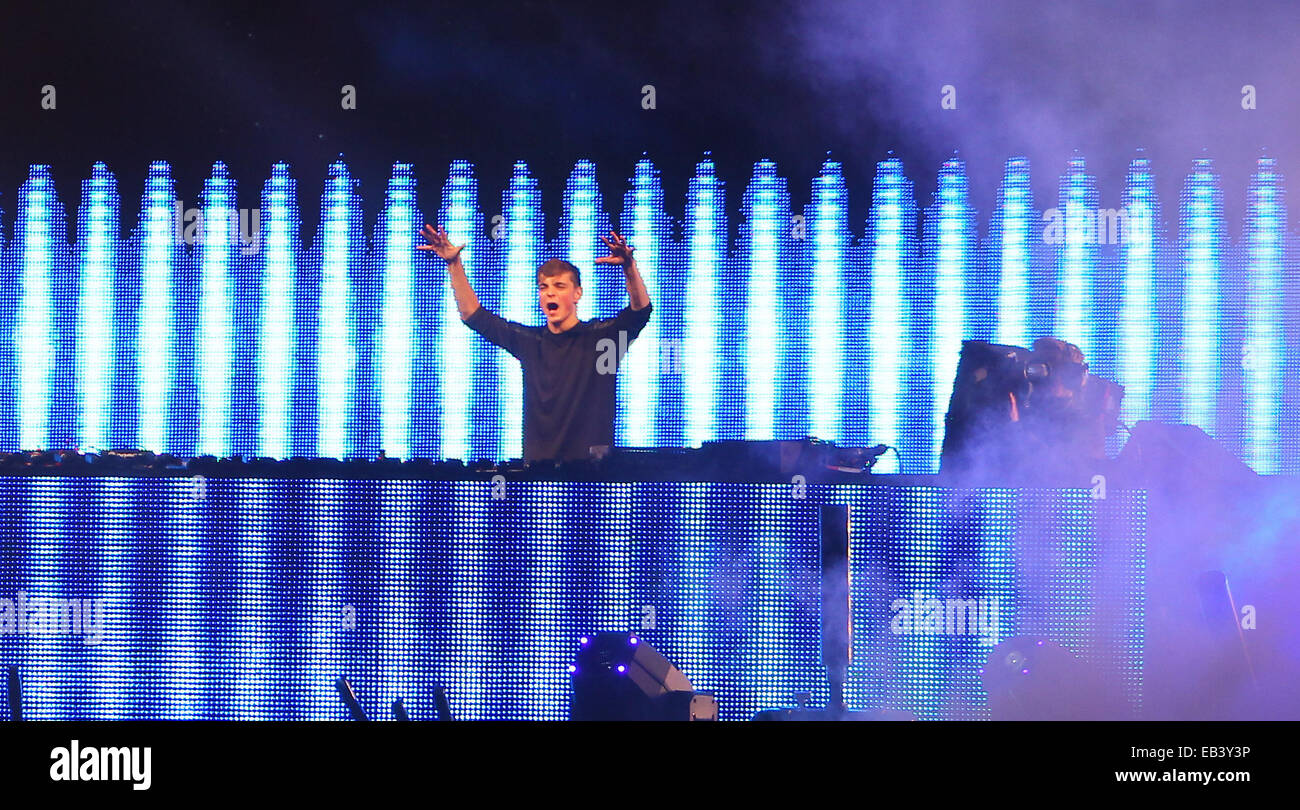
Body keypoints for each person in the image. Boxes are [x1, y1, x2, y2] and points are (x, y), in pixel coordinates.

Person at [419, 224, 652, 462]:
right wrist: (453, 264)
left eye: (559, 286)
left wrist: (628, 266)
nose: (550, 293)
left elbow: (640, 312)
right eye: (544, 287)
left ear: (577, 294)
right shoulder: (531, 343)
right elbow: (474, 316)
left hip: (591, 475)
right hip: (538, 474)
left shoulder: (602, 340)